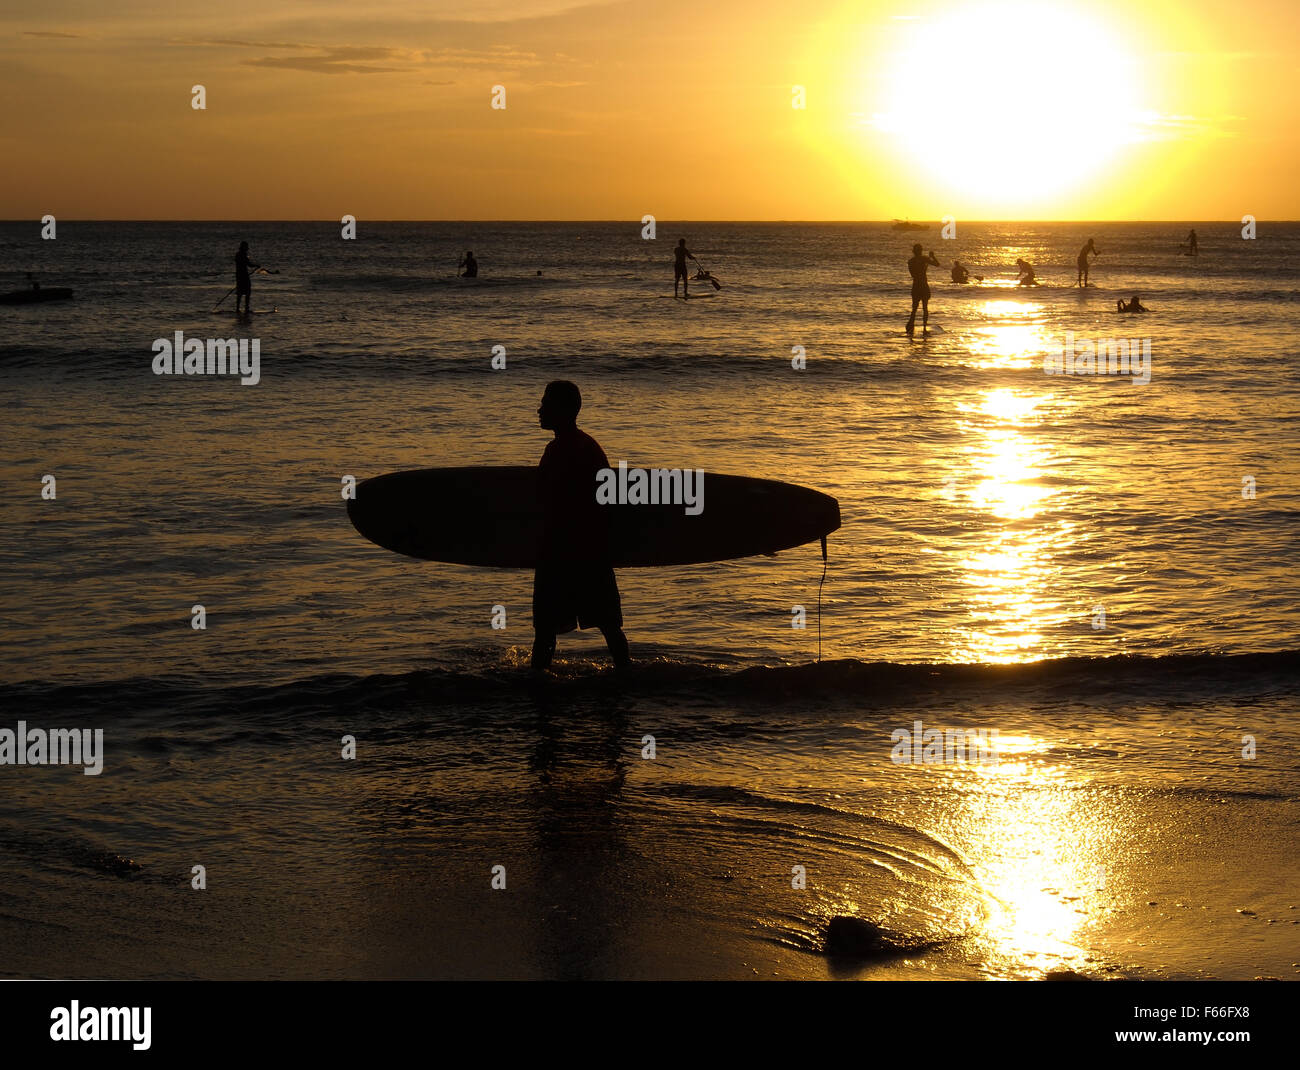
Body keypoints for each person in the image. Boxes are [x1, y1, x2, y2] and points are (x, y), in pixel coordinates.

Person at [531, 380, 631, 674]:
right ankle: (626, 678)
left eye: (545, 403)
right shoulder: (588, 445)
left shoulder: (560, 449)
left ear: (561, 409)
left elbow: (547, 500)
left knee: (546, 632)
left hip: (563, 552)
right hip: (591, 551)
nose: (539, 409)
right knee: (609, 626)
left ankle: (537, 687)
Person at [905, 244, 941, 335]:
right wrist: (932, 257)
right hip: (924, 285)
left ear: (913, 251)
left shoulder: (911, 261)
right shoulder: (924, 259)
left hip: (916, 285)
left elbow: (913, 274)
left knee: (914, 308)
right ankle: (924, 328)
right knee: (925, 307)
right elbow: (937, 264)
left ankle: (911, 325)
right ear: (921, 251)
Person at [234, 241, 259, 315]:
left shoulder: (237, 254)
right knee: (247, 291)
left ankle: (238, 308)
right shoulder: (242, 255)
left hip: (239, 275)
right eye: (246, 247)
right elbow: (248, 264)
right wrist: (256, 265)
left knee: (240, 292)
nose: (247, 249)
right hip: (244, 275)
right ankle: (246, 308)